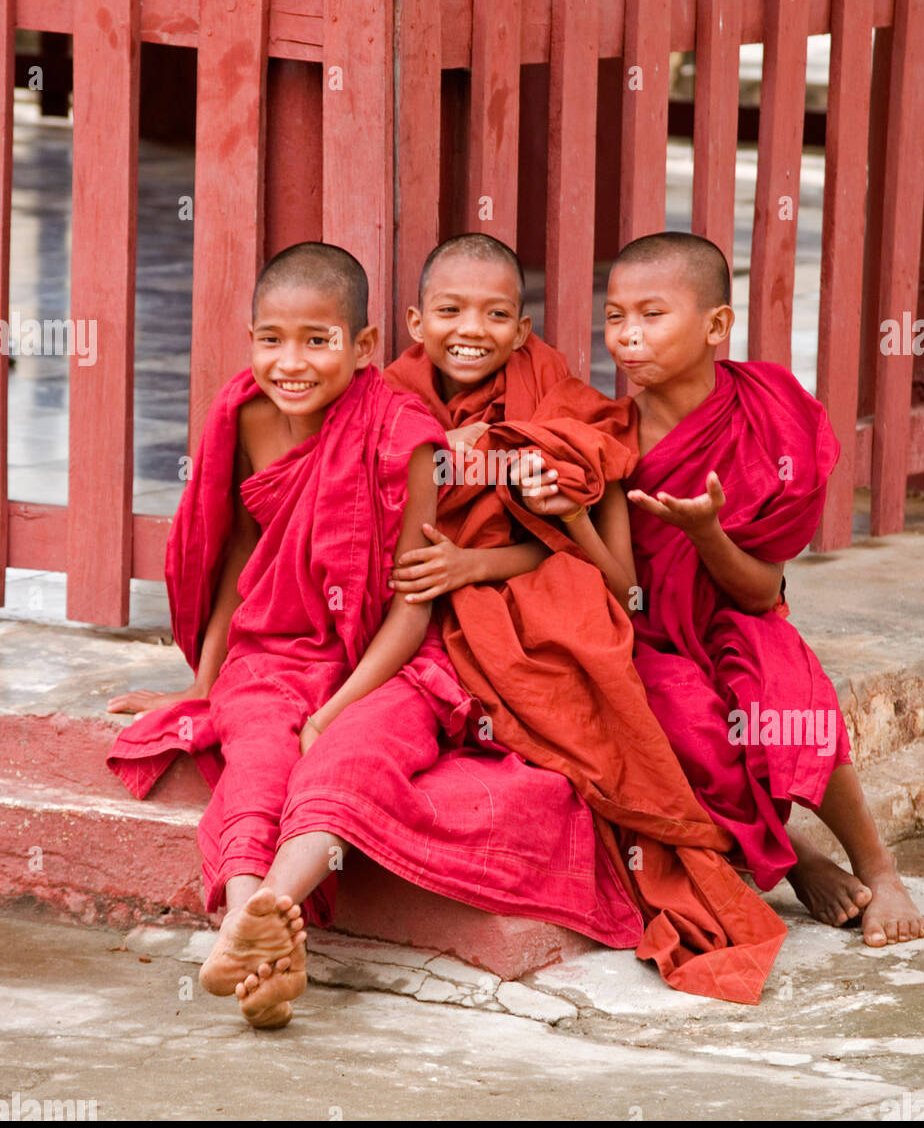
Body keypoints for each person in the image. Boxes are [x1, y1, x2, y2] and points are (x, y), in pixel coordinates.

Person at [107, 241, 652, 1027]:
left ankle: (250, 924)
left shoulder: (400, 433)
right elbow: (236, 551)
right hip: (277, 654)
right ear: (250, 337)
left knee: (349, 760)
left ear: (365, 348)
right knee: (257, 757)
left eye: (317, 341)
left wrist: (338, 706)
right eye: (271, 339)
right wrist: (205, 683)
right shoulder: (243, 413)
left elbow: (411, 602)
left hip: (391, 663)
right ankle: (255, 931)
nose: (290, 362)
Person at [385, 233, 788, 1004]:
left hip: (557, 607)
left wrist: (547, 523)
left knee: (657, 699)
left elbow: (615, 586)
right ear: (413, 321)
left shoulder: (572, 424)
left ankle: (772, 849)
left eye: (496, 313)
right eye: (450, 310)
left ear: (524, 330)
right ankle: (728, 840)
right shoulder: (389, 405)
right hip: (442, 619)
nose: (471, 328)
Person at [597, 230, 924, 948]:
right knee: (685, 725)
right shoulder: (609, 436)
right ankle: (795, 857)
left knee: (789, 690)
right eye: (615, 316)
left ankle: (880, 867)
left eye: (652, 315)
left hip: (733, 609)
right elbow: (618, 590)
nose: (627, 338)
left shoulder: (767, 410)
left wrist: (706, 531)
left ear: (717, 325)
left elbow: (755, 594)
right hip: (645, 630)